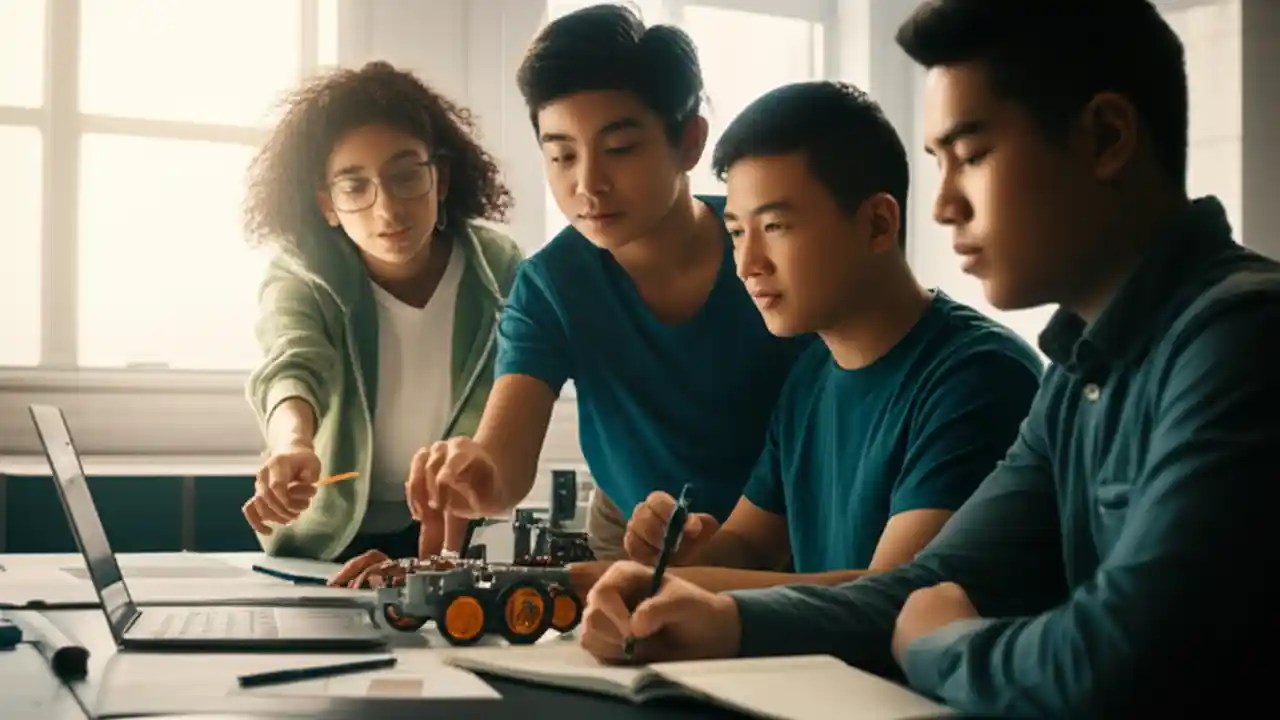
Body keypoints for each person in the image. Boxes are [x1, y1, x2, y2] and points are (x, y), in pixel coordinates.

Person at [578, 1, 1279, 716]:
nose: (942, 207)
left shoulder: (1244, 336)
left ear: (1106, 138)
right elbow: (921, 589)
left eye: (971, 157)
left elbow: (1114, 658)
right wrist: (721, 620)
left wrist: (943, 644)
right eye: (939, 163)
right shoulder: (1076, 373)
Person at [400, 4, 808, 562]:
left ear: (690, 142)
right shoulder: (551, 286)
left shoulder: (768, 250)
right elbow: (504, 464)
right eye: (562, 155)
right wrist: (474, 474)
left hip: (790, 538)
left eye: (619, 149)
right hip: (635, 540)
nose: (588, 184)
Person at [615, 81, 1041, 594]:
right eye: (736, 232)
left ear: (878, 224)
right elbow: (749, 546)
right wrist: (684, 555)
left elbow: (891, 597)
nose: (747, 265)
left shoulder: (980, 377)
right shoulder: (811, 375)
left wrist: (641, 585)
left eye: (775, 226)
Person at [240, 61, 522, 564]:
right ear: (327, 205)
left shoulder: (499, 269)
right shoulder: (302, 272)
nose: (388, 210)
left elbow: (512, 401)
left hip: (457, 534)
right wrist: (291, 444)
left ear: (441, 179)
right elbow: (291, 363)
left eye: (406, 176)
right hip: (325, 544)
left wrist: (446, 557)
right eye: (355, 187)